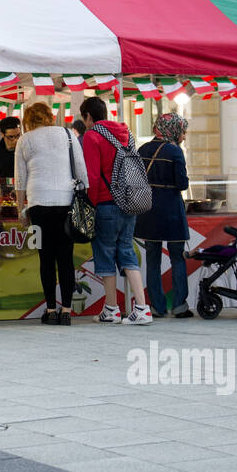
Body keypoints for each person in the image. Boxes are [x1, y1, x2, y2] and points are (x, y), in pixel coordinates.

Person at [14, 102, 88, 325]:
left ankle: (51, 309)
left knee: (45, 258)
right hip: (66, 203)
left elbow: (20, 178)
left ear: (28, 120)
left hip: (38, 205)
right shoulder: (68, 134)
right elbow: (81, 169)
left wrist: (21, 210)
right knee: (66, 257)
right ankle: (66, 311)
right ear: (49, 116)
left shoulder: (24, 139)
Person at [80, 95, 151, 325]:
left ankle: (111, 308)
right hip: (129, 201)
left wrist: (90, 203)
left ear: (88, 116)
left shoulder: (92, 136)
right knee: (126, 251)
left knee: (105, 254)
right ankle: (142, 307)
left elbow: (92, 175)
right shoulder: (125, 133)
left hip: (105, 203)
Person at [136, 113, 191, 318]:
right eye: (183, 131)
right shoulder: (175, 151)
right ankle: (179, 305)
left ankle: (157, 306)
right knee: (177, 256)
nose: (184, 136)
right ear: (173, 129)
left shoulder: (141, 150)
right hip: (171, 211)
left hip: (147, 210)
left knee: (152, 259)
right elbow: (182, 184)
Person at [0, 116, 21, 185]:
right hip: (6, 192)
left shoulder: (25, 149)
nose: (16, 140)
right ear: (2, 134)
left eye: (18, 135)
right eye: (11, 137)